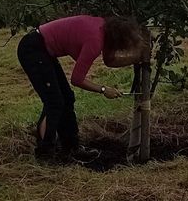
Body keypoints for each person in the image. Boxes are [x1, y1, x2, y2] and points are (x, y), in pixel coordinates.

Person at [17, 15, 150, 162]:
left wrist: (137, 59)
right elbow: (77, 79)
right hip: (33, 49)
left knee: (67, 98)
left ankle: (71, 148)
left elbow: (109, 61)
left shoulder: (103, 29)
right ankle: (44, 153)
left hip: (44, 50)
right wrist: (104, 90)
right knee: (54, 102)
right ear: (118, 40)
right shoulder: (95, 40)